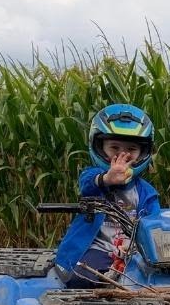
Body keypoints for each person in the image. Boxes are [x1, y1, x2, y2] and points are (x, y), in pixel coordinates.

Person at [55, 104, 161, 288]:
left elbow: (155, 222)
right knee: (82, 277)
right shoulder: (93, 176)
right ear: (99, 148)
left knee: (155, 281)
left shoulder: (147, 192)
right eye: (114, 148)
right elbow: (87, 185)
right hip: (99, 249)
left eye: (131, 150)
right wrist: (106, 179)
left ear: (143, 153)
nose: (122, 155)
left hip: (135, 253)